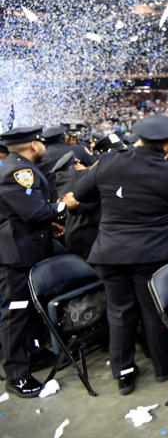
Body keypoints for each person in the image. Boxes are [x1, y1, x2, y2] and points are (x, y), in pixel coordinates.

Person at [65, 115, 168, 395]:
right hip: (151, 254)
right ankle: (163, 365)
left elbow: (76, 196)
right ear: (167, 144)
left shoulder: (107, 162)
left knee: (119, 312)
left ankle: (124, 373)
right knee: (152, 310)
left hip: (110, 252)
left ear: (138, 138)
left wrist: (113, 197)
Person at [0, 126, 66, 398]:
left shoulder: (17, 167)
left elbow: (19, 212)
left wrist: (47, 225)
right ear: (33, 145)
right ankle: (16, 375)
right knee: (15, 313)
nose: (42, 146)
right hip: (15, 256)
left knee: (28, 310)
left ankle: (34, 354)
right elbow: (34, 211)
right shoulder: (18, 172)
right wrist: (64, 207)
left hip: (25, 247)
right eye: (39, 142)